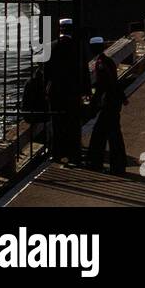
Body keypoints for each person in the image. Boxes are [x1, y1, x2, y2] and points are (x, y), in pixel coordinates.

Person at [44, 18, 88, 165]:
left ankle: (56, 153)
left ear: (60, 30)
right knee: (73, 123)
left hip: (56, 91)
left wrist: (46, 88)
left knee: (56, 123)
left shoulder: (50, 47)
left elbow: (46, 72)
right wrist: (86, 90)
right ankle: (74, 155)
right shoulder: (78, 47)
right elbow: (84, 70)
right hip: (72, 91)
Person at [86, 37, 127, 175]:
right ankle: (117, 165)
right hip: (113, 102)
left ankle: (97, 163)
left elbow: (103, 86)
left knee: (103, 134)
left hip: (109, 103)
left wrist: (93, 103)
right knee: (110, 133)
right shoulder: (108, 61)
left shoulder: (100, 63)